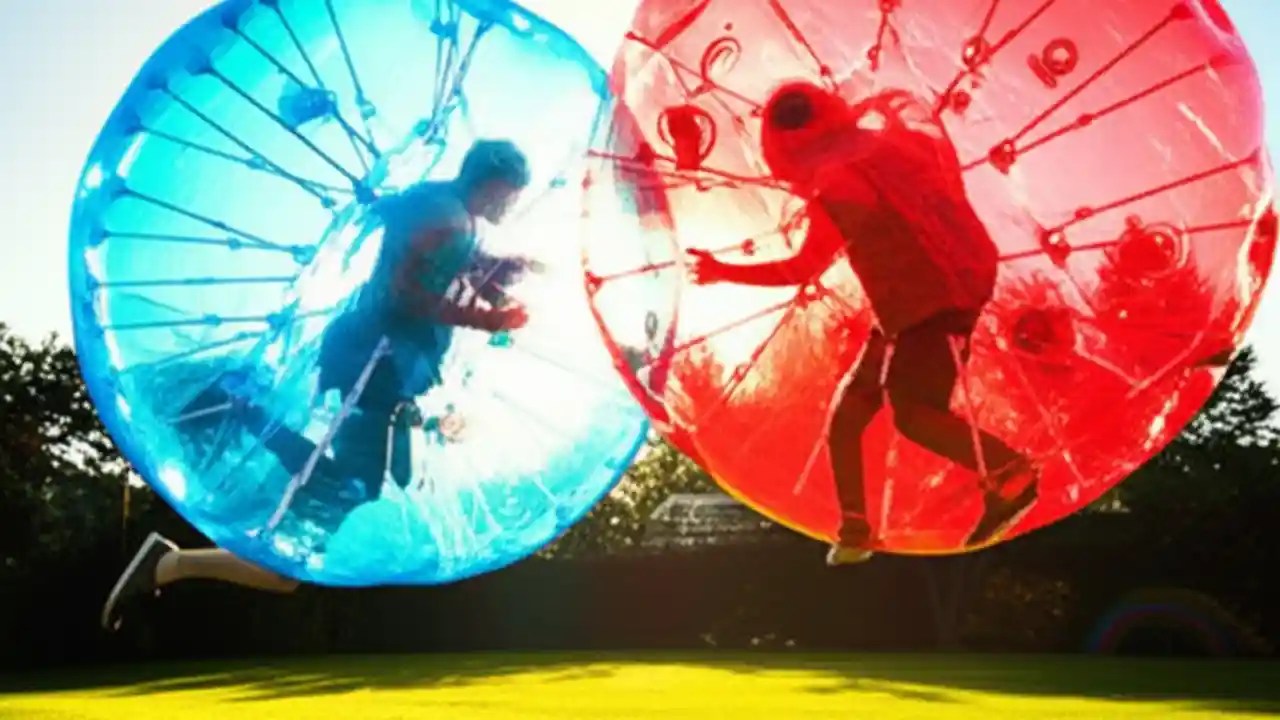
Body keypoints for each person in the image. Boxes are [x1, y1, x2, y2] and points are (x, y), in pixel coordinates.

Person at [101, 139, 535, 631]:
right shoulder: (450, 218)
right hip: (375, 371)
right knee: (331, 509)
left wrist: (500, 269)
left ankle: (224, 436)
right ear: (493, 181)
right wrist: (488, 319)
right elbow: (407, 295)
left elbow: (434, 265)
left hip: (372, 368)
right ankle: (229, 413)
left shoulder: (446, 208)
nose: (512, 203)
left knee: (321, 523)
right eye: (512, 192)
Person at [685, 83, 1040, 566]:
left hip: (931, 304)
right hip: (922, 301)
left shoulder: (837, 181)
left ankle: (1009, 473)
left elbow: (801, 268)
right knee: (851, 412)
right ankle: (854, 526)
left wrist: (723, 271)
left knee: (913, 411)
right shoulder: (888, 144)